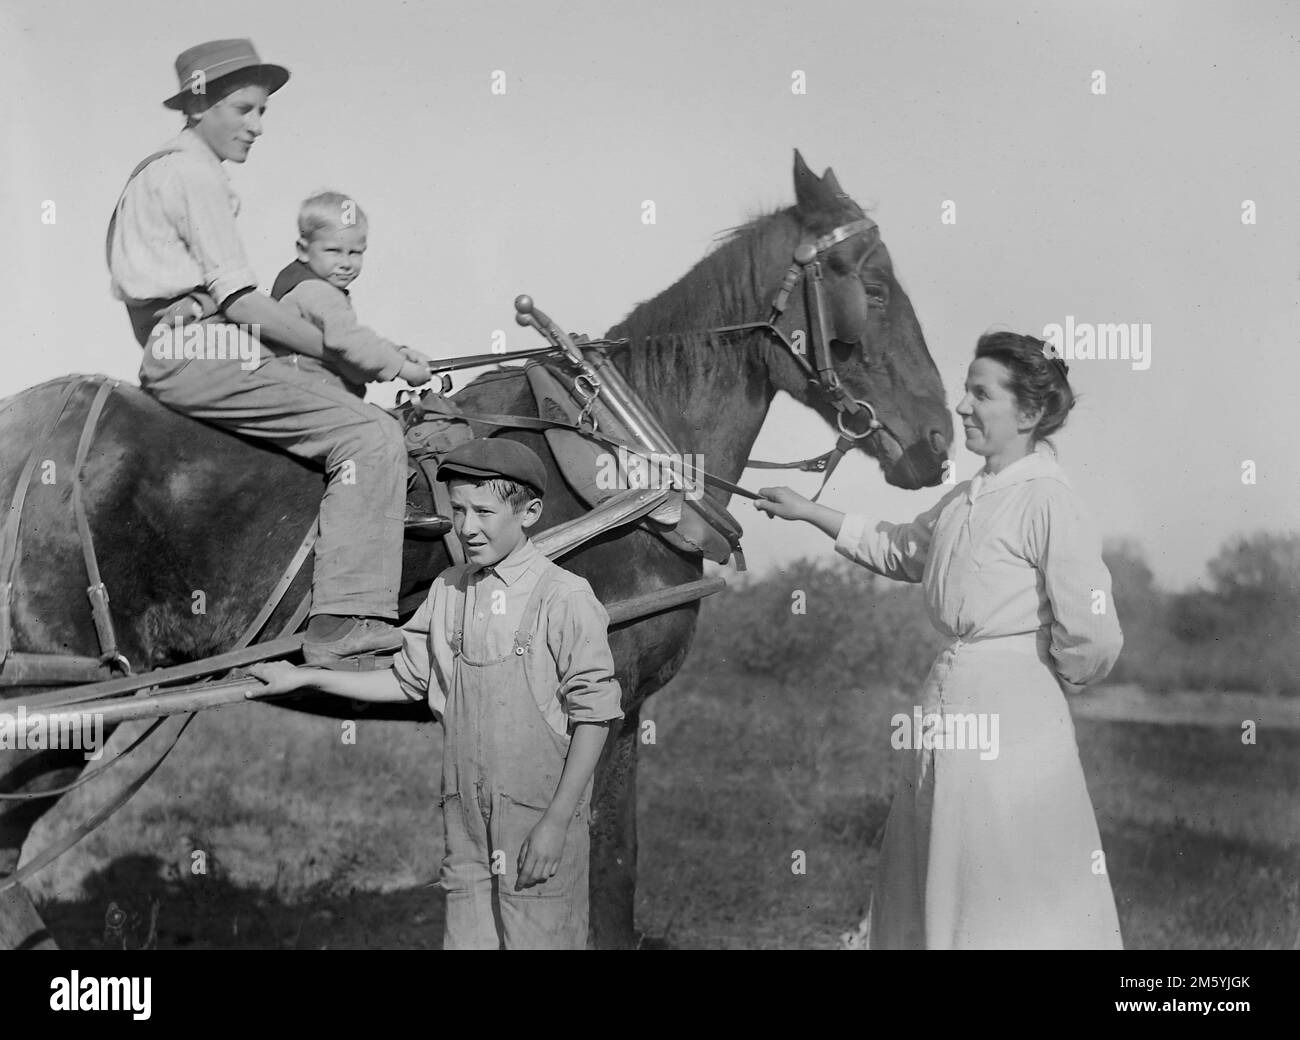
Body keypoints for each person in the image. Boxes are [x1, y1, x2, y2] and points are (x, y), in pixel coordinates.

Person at [756, 331, 1125, 949]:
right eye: (965, 392)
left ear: (1029, 413)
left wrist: (1039, 678)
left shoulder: (1048, 500)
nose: (960, 408)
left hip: (1013, 711)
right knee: (938, 863)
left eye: (981, 395)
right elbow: (902, 549)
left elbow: (1093, 630)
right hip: (948, 699)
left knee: (1000, 873)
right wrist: (809, 512)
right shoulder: (965, 498)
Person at [106, 38, 438, 667]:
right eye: (244, 110)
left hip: (184, 347)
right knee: (371, 437)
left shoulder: (160, 171)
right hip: (199, 352)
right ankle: (344, 622)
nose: (257, 126)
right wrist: (374, 359)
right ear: (200, 106)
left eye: (262, 112)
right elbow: (243, 304)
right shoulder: (191, 172)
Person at [249, 439, 624, 949]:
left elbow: (595, 718)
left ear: (530, 512)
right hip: (465, 817)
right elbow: (409, 680)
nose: (468, 528)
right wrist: (307, 678)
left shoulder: (564, 596)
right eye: (459, 510)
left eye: (485, 512)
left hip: (536, 816)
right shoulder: (449, 589)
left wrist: (556, 823)